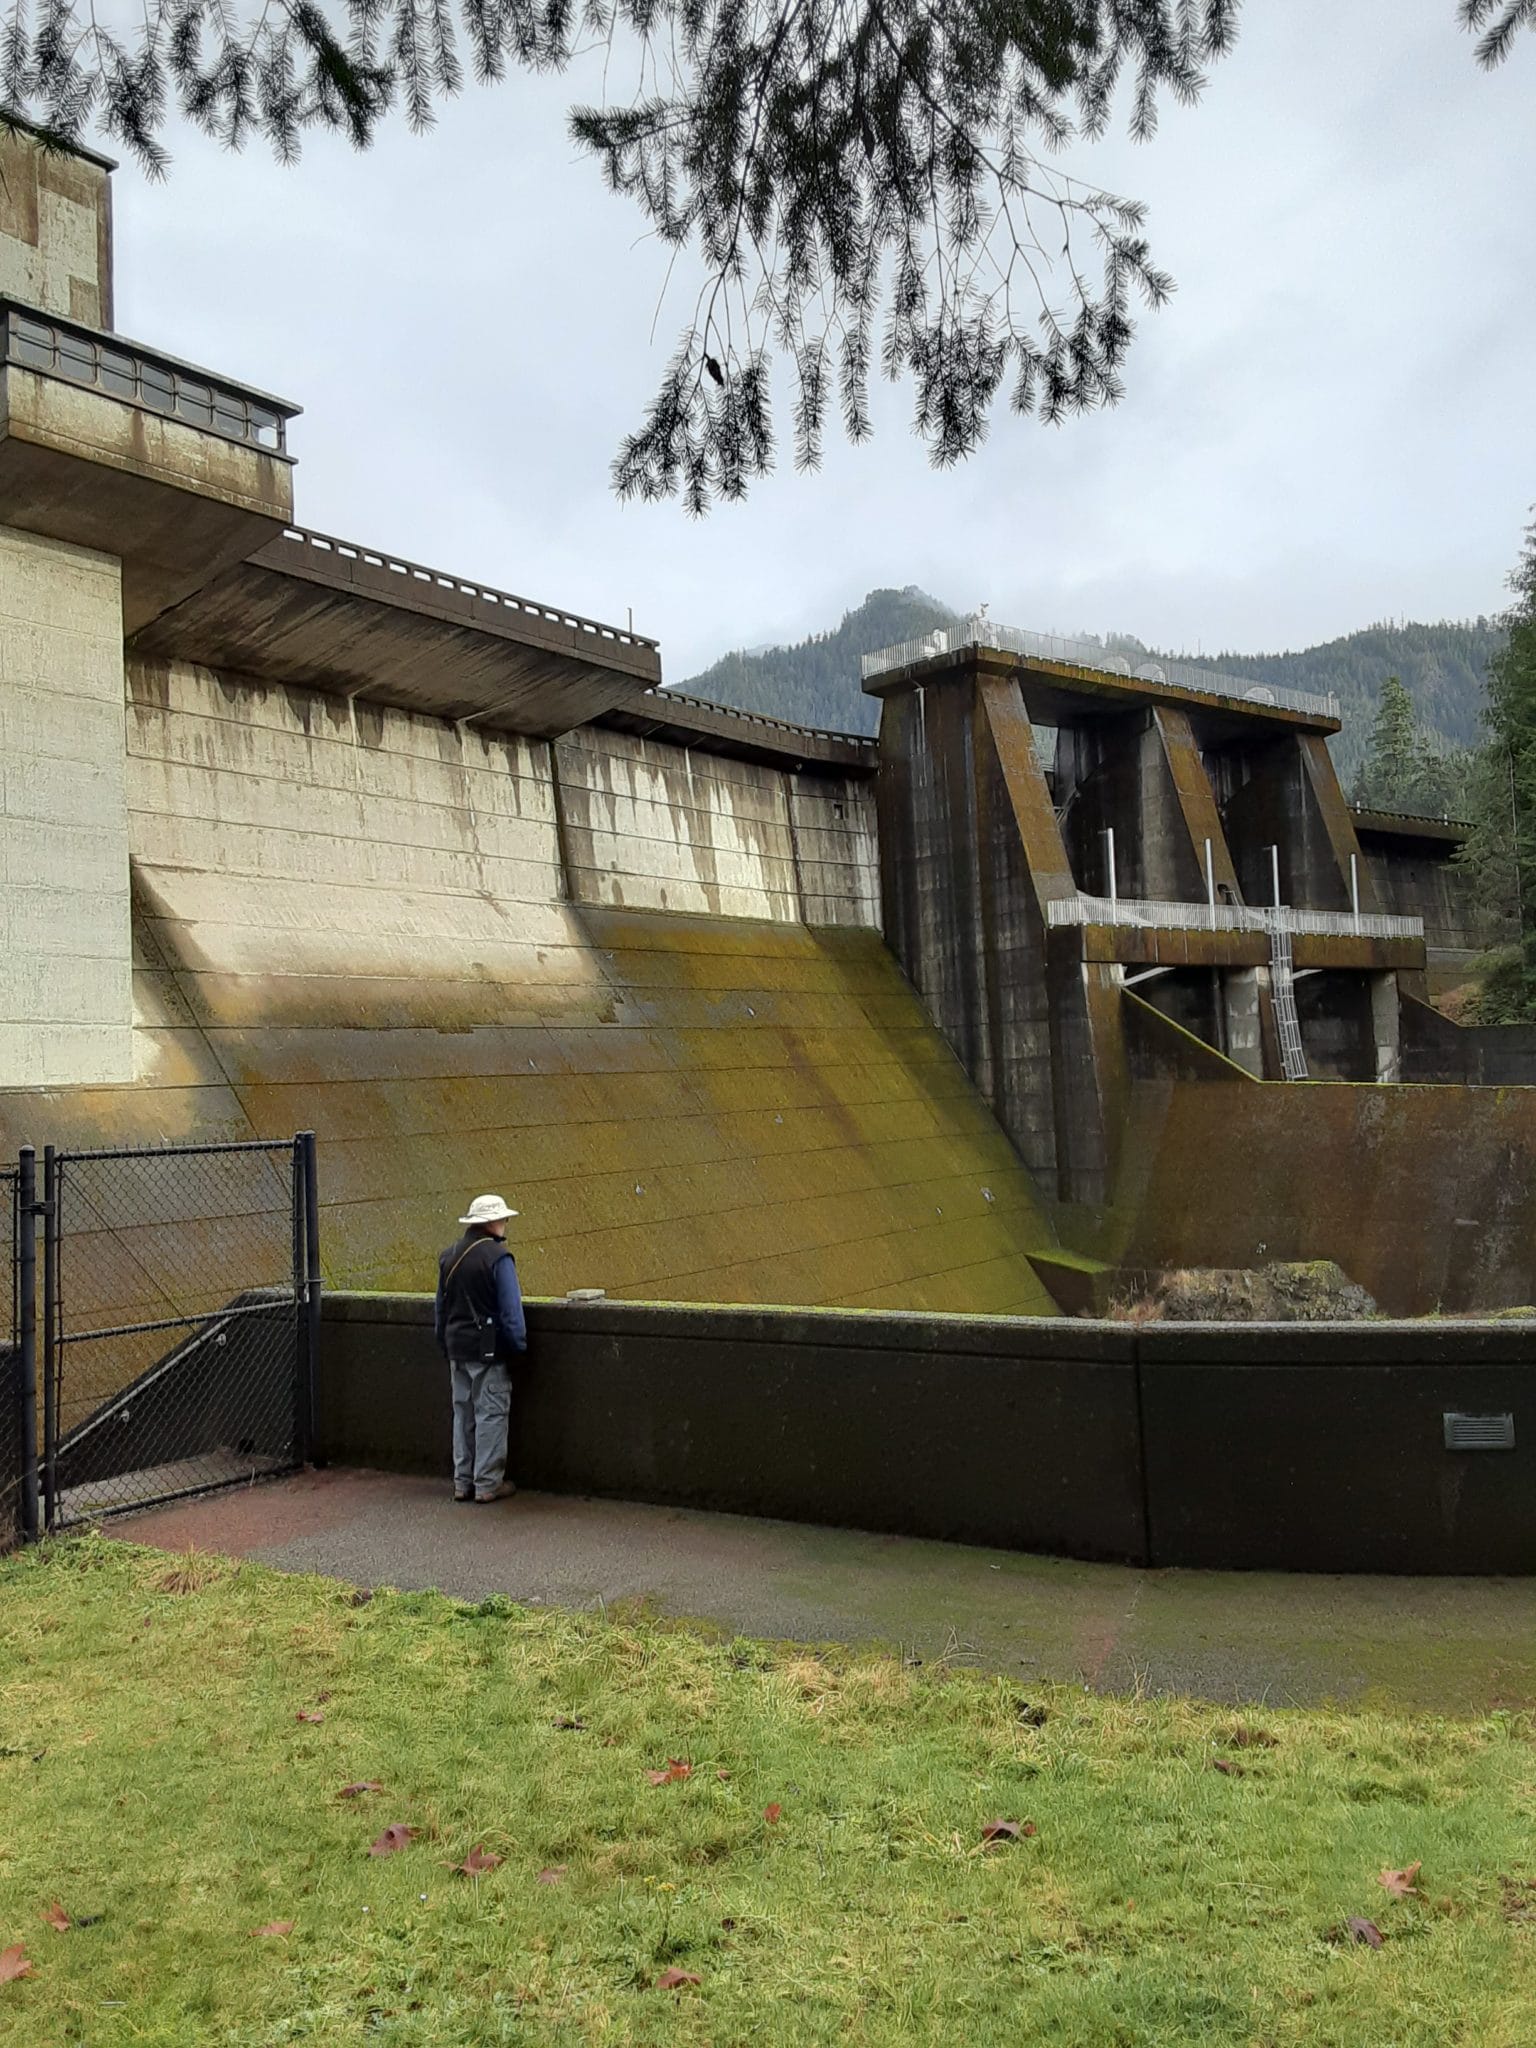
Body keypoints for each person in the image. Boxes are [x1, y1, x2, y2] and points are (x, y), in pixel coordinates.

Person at [434, 1194, 527, 1503]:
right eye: (502, 1219)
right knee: (491, 1413)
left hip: (456, 1346)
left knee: (462, 1413)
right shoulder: (498, 1258)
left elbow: (440, 1309)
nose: (505, 1223)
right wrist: (518, 1349)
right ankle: (487, 1483)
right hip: (487, 1349)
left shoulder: (448, 1256)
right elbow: (511, 1313)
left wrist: (444, 1343)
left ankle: (462, 1482)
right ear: (491, 1222)